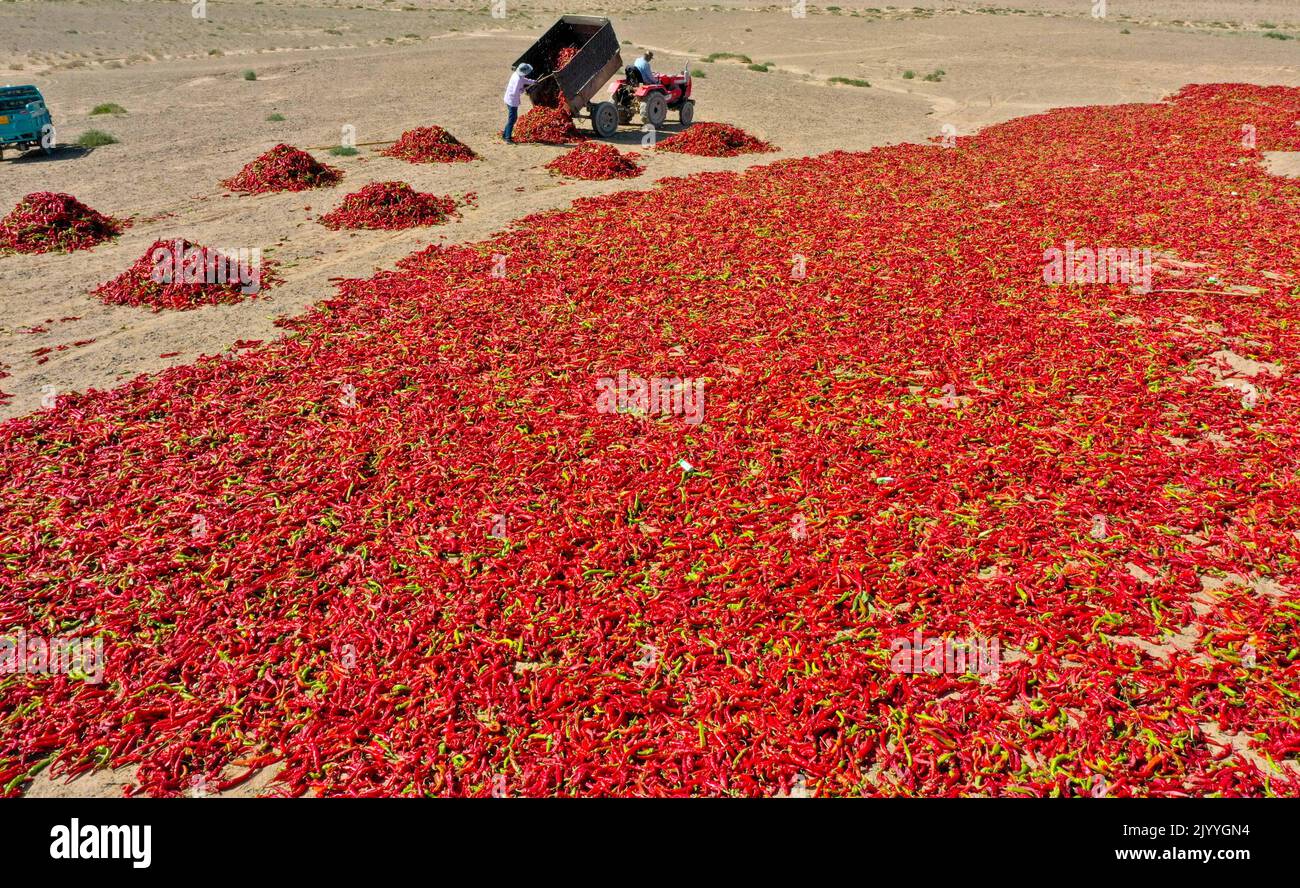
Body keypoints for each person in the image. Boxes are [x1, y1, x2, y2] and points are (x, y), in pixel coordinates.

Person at [502, 62, 536, 143]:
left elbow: (524, 80)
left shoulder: (516, 74)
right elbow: (515, 92)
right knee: (512, 119)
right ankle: (507, 138)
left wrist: (533, 81)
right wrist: (522, 90)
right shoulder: (518, 80)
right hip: (512, 101)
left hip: (509, 99)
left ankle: (505, 134)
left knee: (512, 118)